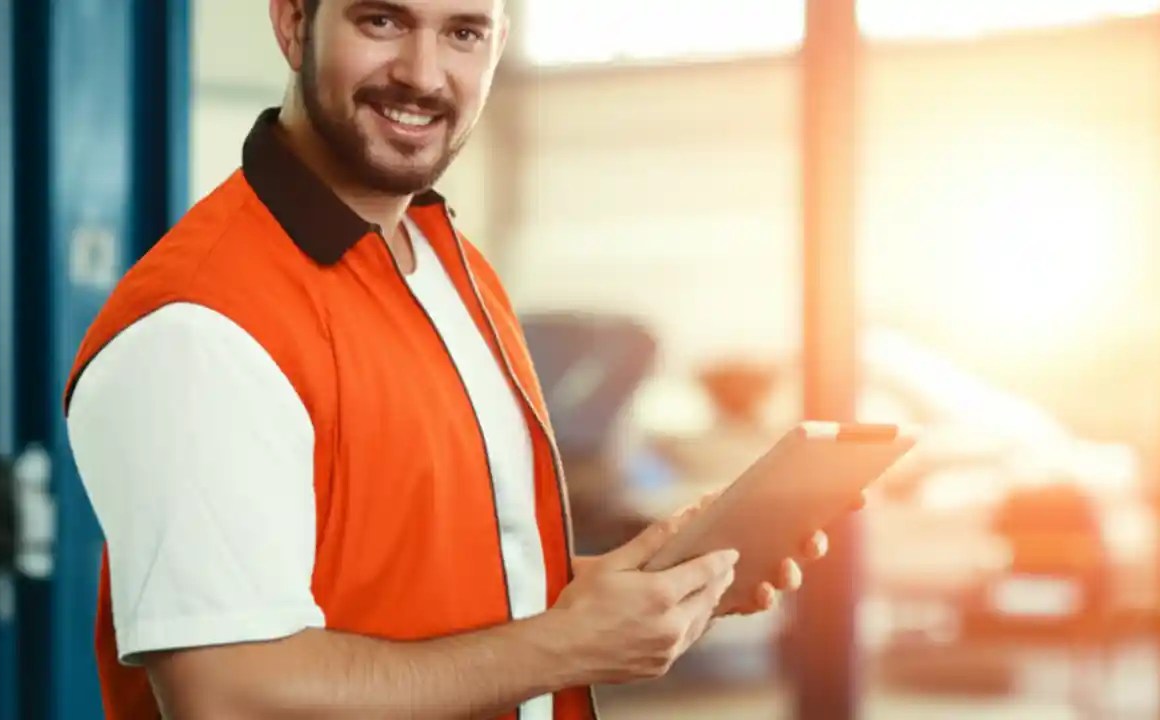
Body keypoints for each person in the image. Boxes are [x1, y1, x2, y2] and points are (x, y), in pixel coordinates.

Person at [64, 1, 837, 718]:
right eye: (382, 21)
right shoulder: (204, 325)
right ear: (294, 23)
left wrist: (640, 594)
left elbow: (428, 576)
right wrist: (570, 644)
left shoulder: (446, 262)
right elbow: (233, 695)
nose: (423, 75)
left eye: (463, 32)